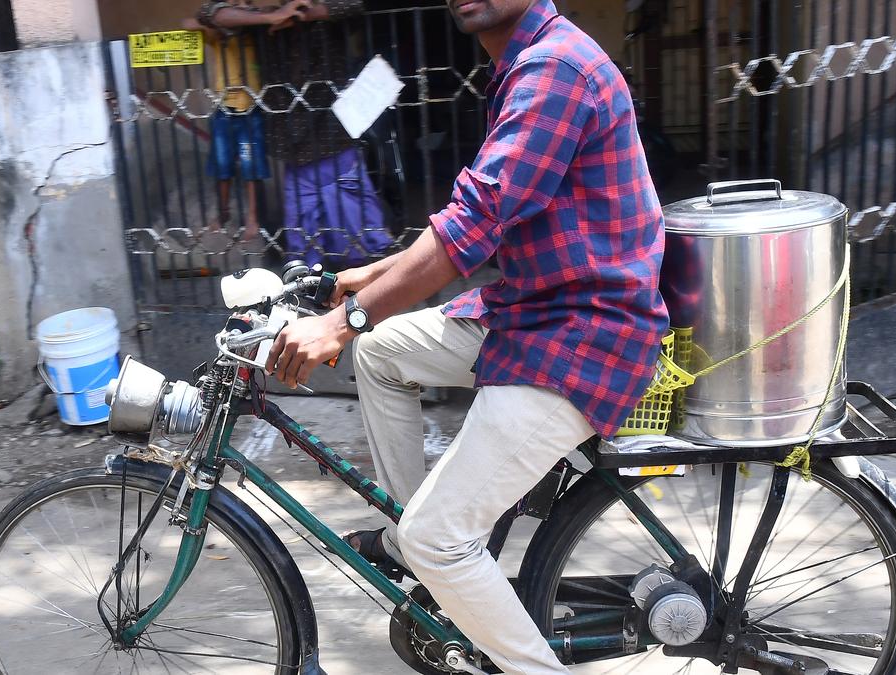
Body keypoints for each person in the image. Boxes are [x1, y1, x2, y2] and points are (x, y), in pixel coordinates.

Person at [267, 0, 669, 672]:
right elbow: (482, 216)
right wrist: (374, 278)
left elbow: (476, 222)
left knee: (442, 538)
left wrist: (343, 319)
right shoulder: (521, 64)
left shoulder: (554, 69)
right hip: (534, 310)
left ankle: (438, 553)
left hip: (583, 337)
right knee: (384, 351)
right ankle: (411, 543)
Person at [205, 0, 394, 267]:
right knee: (304, 251)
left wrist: (300, 15)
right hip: (294, 146)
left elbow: (355, 5)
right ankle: (319, 293)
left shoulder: (324, 11)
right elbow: (209, 14)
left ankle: (367, 287)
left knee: (359, 240)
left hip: (333, 136)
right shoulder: (260, 18)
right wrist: (271, 17)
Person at [183, 0, 303, 238]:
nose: (238, 6)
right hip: (224, 109)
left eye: (243, 3)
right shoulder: (218, 36)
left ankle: (252, 219)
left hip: (251, 109)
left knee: (251, 168)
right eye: (233, 4)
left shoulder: (255, 34)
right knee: (222, 167)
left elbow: (278, 19)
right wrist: (214, 27)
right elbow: (186, 23)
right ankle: (223, 213)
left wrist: (258, 16)